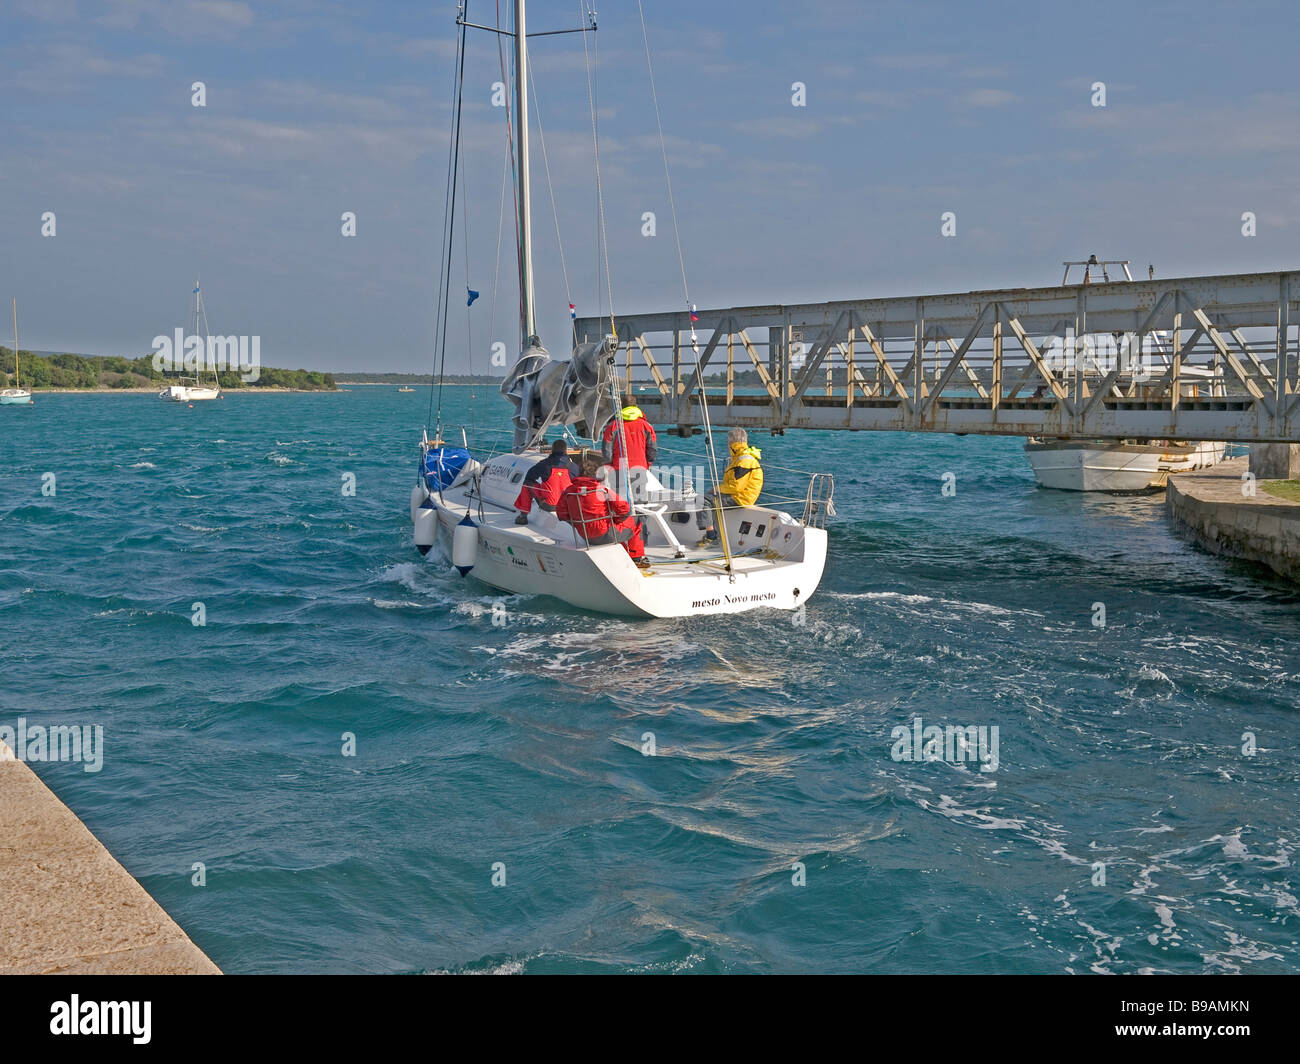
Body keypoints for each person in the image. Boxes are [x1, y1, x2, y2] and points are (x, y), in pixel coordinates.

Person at [557, 451, 649, 568]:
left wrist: (577, 522)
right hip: (605, 533)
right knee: (637, 520)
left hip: (585, 535)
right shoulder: (601, 489)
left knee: (615, 527)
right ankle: (636, 557)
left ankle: (622, 557)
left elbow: (561, 513)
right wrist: (618, 519)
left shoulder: (568, 492)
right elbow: (624, 507)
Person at [697, 427, 763, 545]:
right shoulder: (741, 457)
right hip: (739, 494)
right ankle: (713, 532)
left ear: (732, 443)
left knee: (703, 500)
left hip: (741, 497)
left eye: (728, 441)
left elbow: (736, 487)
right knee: (709, 498)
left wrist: (716, 489)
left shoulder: (744, 461)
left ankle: (711, 537)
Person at [514, 439, 579, 525]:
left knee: (527, 483)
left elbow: (529, 477)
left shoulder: (544, 464)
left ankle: (523, 516)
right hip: (567, 505)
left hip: (549, 505)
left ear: (552, 450)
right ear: (566, 450)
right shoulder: (574, 466)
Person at [602, 405, 658, 471]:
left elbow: (607, 451)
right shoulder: (647, 426)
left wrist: (609, 465)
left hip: (619, 468)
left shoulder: (612, 426)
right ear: (636, 407)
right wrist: (648, 463)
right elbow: (652, 450)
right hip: (641, 467)